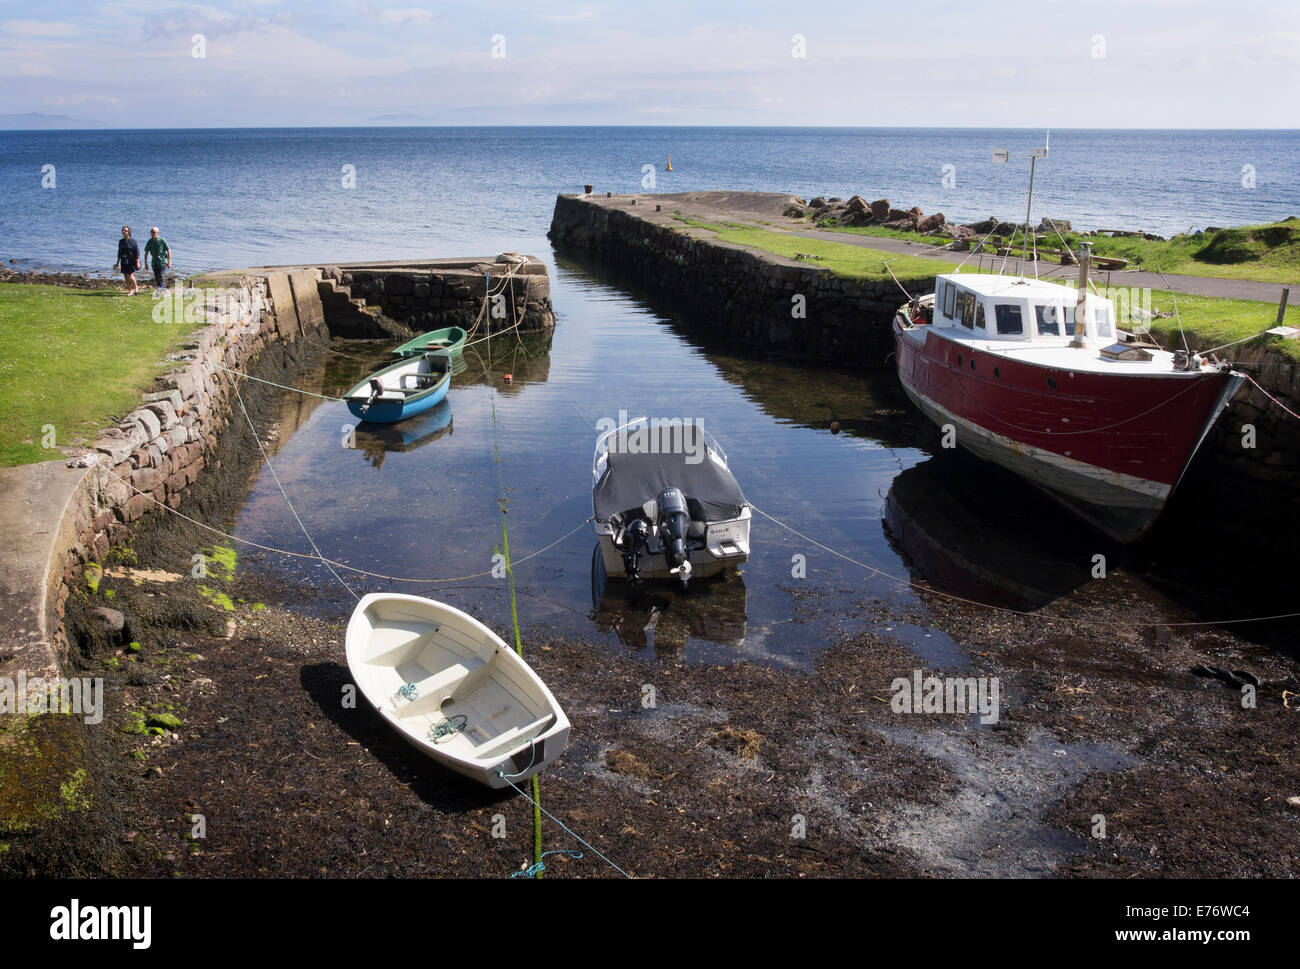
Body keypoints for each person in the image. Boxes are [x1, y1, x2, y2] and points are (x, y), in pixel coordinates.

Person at [114, 226, 140, 295]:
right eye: (123, 230)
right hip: (123, 261)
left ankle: (136, 287)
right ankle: (130, 291)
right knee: (126, 277)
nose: (123, 232)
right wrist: (117, 262)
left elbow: (137, 252)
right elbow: (119, 252)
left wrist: (137, 262)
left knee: (131, 276)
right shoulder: (121, 241)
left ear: (129, 232)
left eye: (125, 231)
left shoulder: (133, 241)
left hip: (131, 261)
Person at [143, 226, 171, 291]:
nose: (152, 234)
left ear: (157, 233)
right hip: (154, 262)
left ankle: (161, 289)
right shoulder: (149, 242)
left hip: (162, 261)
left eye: (154, 232)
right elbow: (146, 252)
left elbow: (168, 250)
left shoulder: (162, 240)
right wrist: (146, 263)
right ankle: (160, 288)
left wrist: (169, 262)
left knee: (161, 275)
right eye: (151, 232)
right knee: (157, 276)